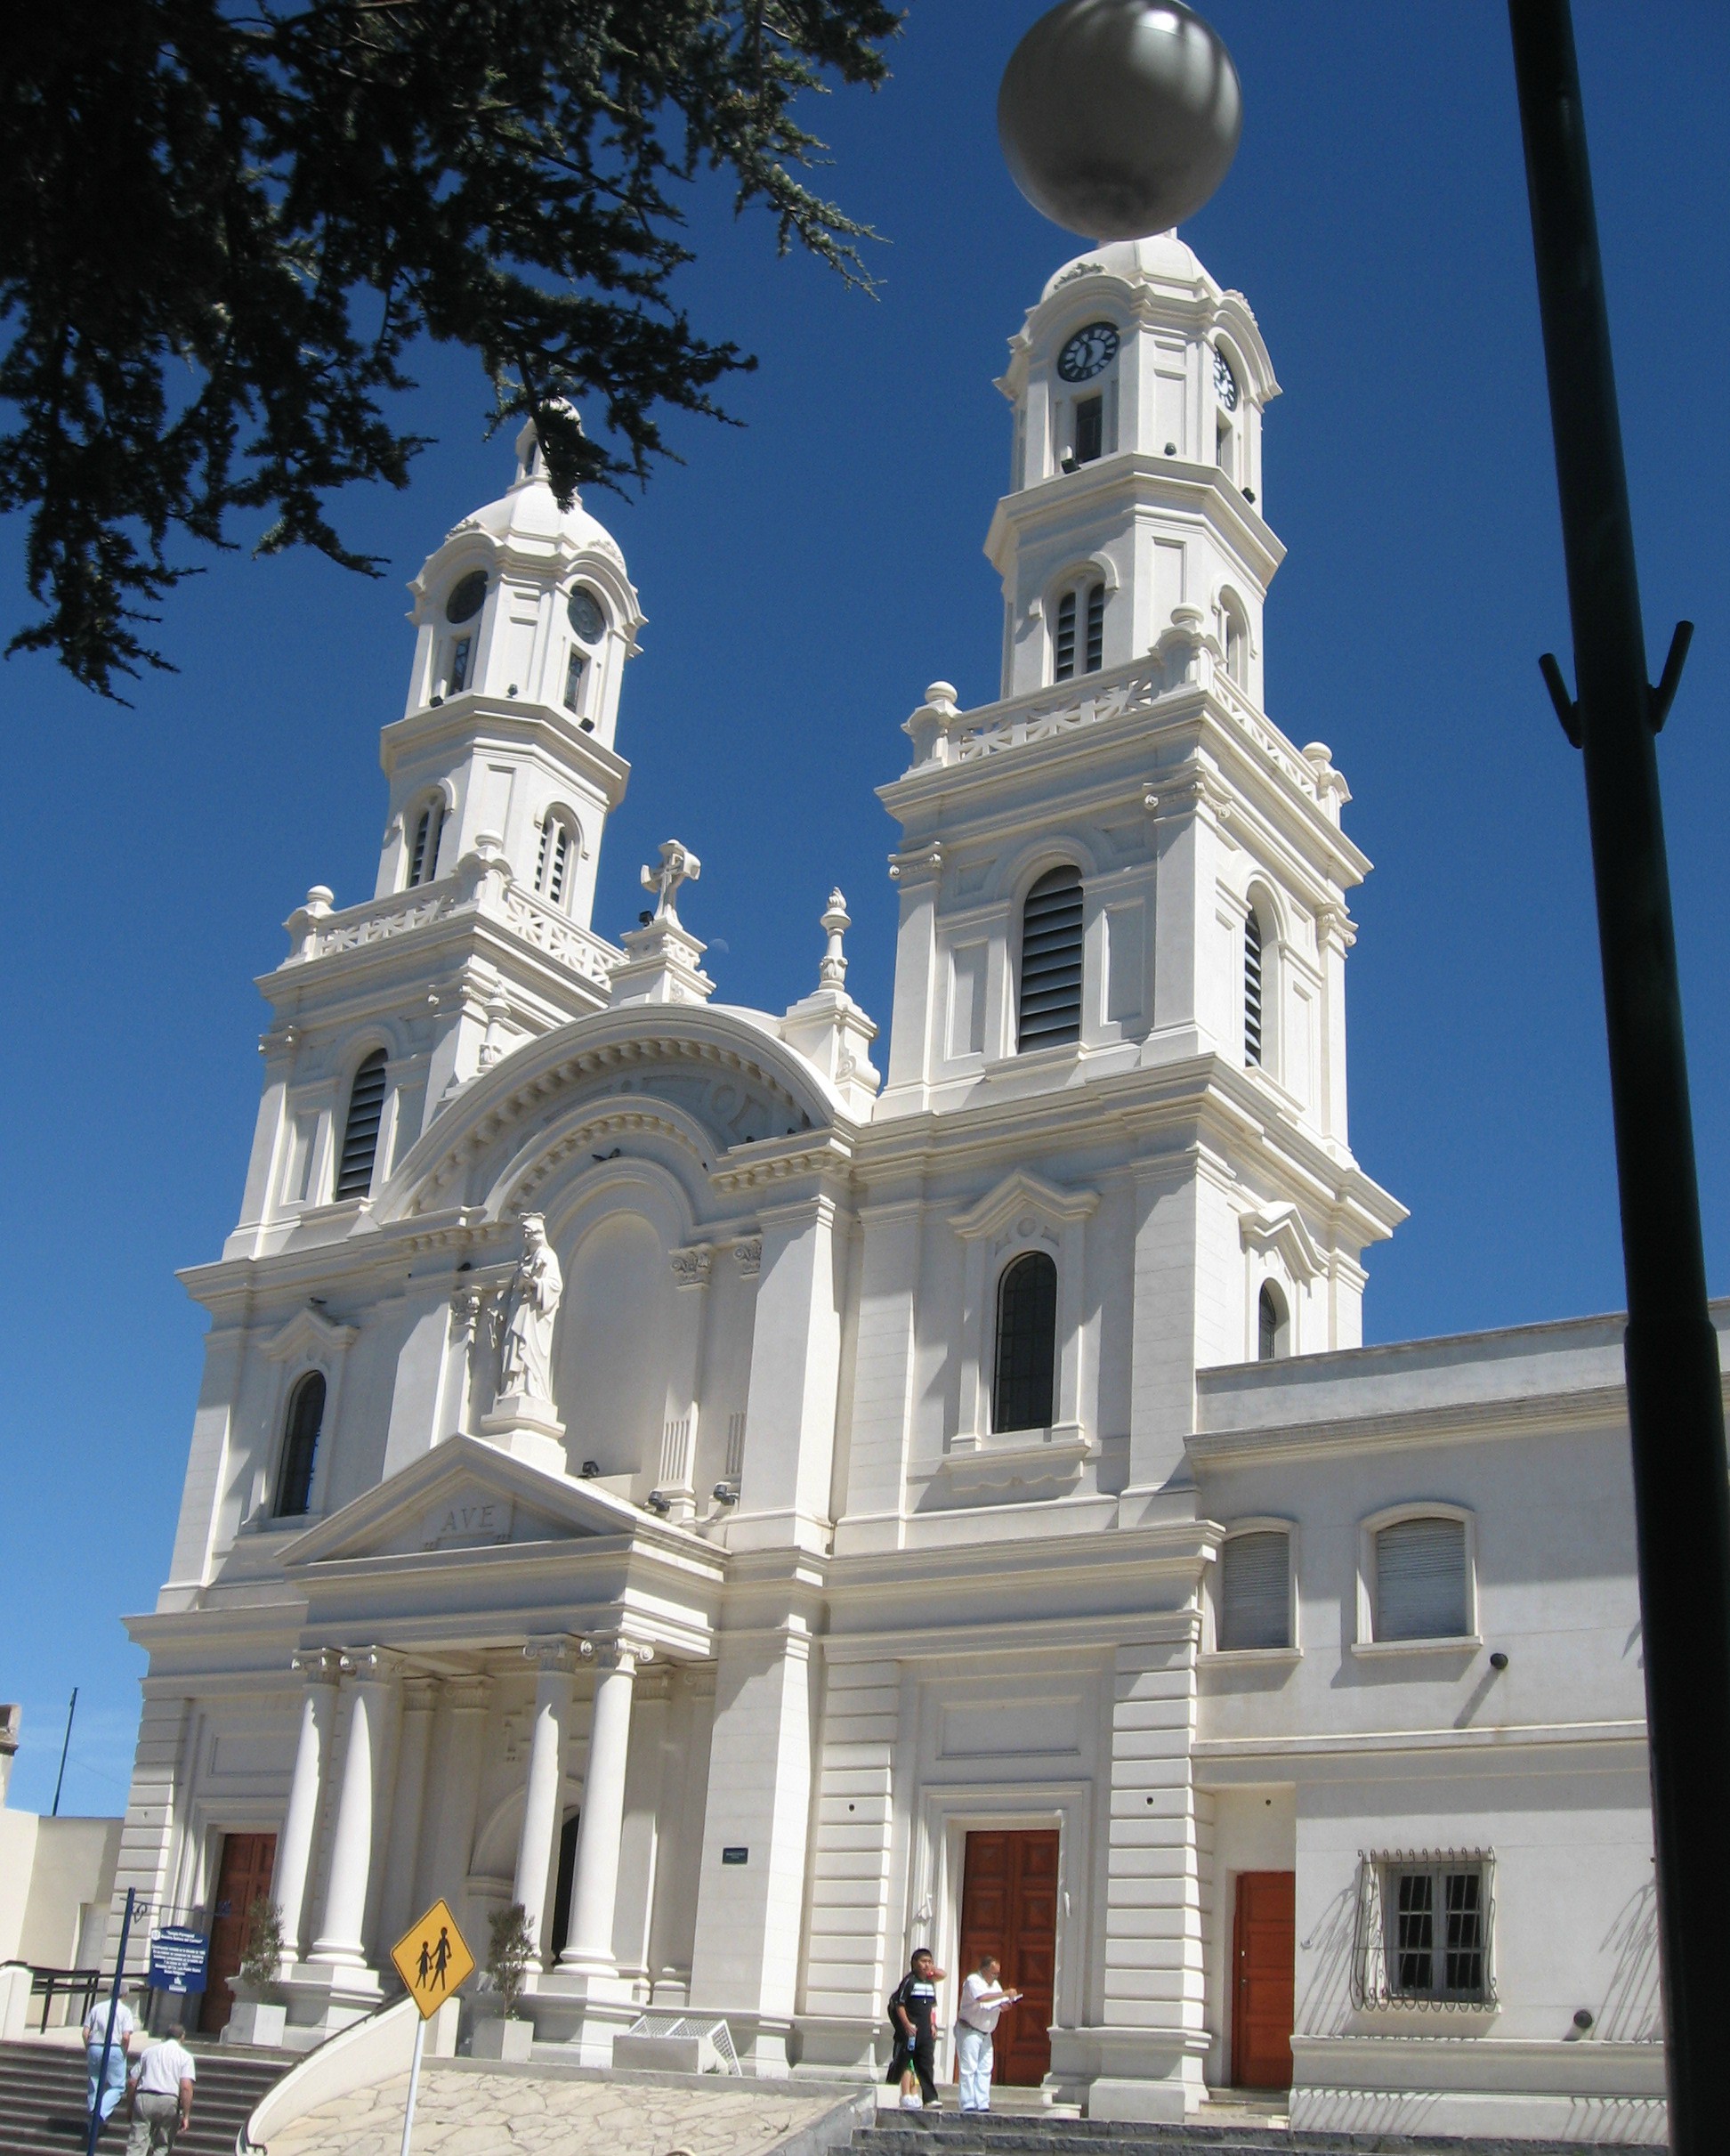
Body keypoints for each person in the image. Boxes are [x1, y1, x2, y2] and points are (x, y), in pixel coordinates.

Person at [955, 1953, 1022, 2112]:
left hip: (986, 2033)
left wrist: (1005, 2004)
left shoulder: (996, 1985)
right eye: (993, 1973)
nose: (996, 1976)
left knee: (985, 2068)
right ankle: (967, 2103)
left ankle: (983, 2103)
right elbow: (982, 1998)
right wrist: (1004, 1994)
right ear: (984, 1970)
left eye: (998, 1973)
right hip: (969, 2030)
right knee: (968, 2068)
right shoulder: (973, 1980)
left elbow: (996, 2003)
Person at [886, 1947, 945, 2110]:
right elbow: (900, 2004)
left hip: (925, 2029)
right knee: (905, 2061)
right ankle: (901, 2093)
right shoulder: (910, 1981)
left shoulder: (930, 1983)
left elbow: (931, 2006)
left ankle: (930, 2097)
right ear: (915, 1963)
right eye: (923, 1961)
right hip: (910, 2029)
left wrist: (932, 2024)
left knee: (926, 2062)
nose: (927, 1965)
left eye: (929, 1962)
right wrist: (906, 2024)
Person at [126, 2022, 195, 2155]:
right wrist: (186, 2115)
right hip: (169, 2099)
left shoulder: (148, 2052)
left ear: (165, 2036)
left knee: (137, 2143)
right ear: (183, 2037)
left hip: (144, 2096)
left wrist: (130, 2106)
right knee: (163, 2144)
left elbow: (132, 2081)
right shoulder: (185, 2056)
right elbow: (186, 2087)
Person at [83, 1990, 136, 2134]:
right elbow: (125, 2037)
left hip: (95, 2046)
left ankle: (93, 2112)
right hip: (114, 2047)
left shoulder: (97, 2008)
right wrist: (124, 2052)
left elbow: (85, 2033)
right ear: (125, 1995)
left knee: (94, 2082)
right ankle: (100, 2113)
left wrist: (88, 2048)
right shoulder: (125, 2011)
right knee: (117, 2085)